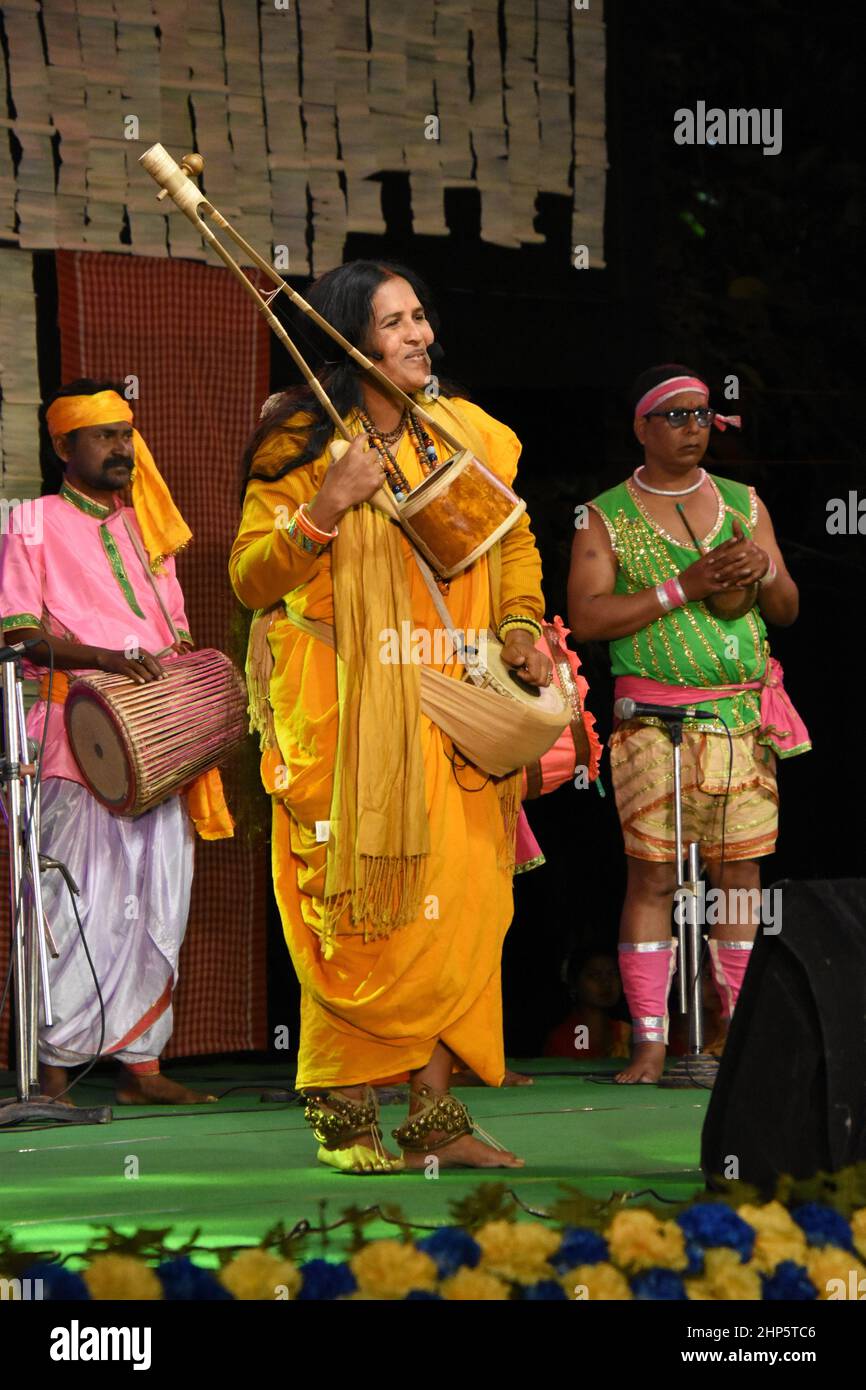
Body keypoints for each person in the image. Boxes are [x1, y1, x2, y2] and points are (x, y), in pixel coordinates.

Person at [230, 260, 551, 1172]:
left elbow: (514, 535)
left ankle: (433, 1114)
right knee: (363, 910)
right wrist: (325, 509)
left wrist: (521, 623)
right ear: (347, 340)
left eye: (420, 317)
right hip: (341, 708)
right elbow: (251, 578)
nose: (419, 336)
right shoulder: (298, 442)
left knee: (466, 901)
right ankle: (342, 1111)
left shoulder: (462, 434)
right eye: (396, 322)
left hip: (452, 700)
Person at [568, 365, 810, 1084]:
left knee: (739, 879)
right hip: (652, 724)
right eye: (675, 417)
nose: (693, 429)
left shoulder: (744, 503)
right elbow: (586, 618)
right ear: (641, 427)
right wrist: (686, 587)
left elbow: (788, 611)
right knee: (653, 881)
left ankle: (735, 1032)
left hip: (742, 719)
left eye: (703, 416)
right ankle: (649, 1043)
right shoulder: (602, 514)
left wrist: (764, 569)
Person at [0, 380, 233, 1105]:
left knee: (160, 898)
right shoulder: (31, 522)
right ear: (63, 446)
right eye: (102, 436)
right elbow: (16, 635)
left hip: (159, 749)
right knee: (72, 904)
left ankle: (144, 1069)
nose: (120, 448)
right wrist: (101, 659)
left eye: (125, 433)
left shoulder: (149, 526)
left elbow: (178, 634)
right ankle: (55, 1073)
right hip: (76, 741)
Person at [544, 943, 630, 1061]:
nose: (606, 983)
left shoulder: (626, 1032)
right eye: (595, 976)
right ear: (574, 983)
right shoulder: (562, 1038)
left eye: (613, 974)